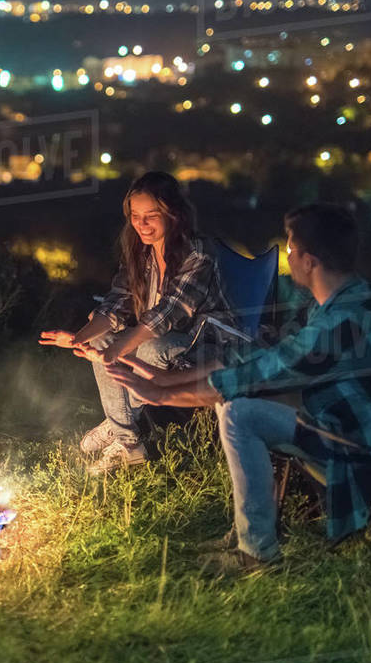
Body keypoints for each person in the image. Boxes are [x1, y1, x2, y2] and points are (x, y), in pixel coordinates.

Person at [105, 203, 371, 575]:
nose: (288, 256)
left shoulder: (337, 323)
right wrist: (163, 379)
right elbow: (261, 358)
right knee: (238, 400)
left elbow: (258, 373)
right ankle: (248, 531)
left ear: (310, 261)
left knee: (240, 411)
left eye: (291, 248)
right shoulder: (351, 295)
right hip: (361, 416)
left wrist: (160, 395)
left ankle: (257, 554)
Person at [39, 171, 242, 474]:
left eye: (151, 216)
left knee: (145, 347)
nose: (142, 224)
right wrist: (80, 339)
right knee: (102, 339)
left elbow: (168, 313)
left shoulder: (198, 253)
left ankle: (118, 425)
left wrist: (115, 351)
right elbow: (116, 303)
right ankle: (128, 440)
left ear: (173, 214)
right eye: (135, 216)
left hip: (206, 347)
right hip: (162, 341)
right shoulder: (140, 252)